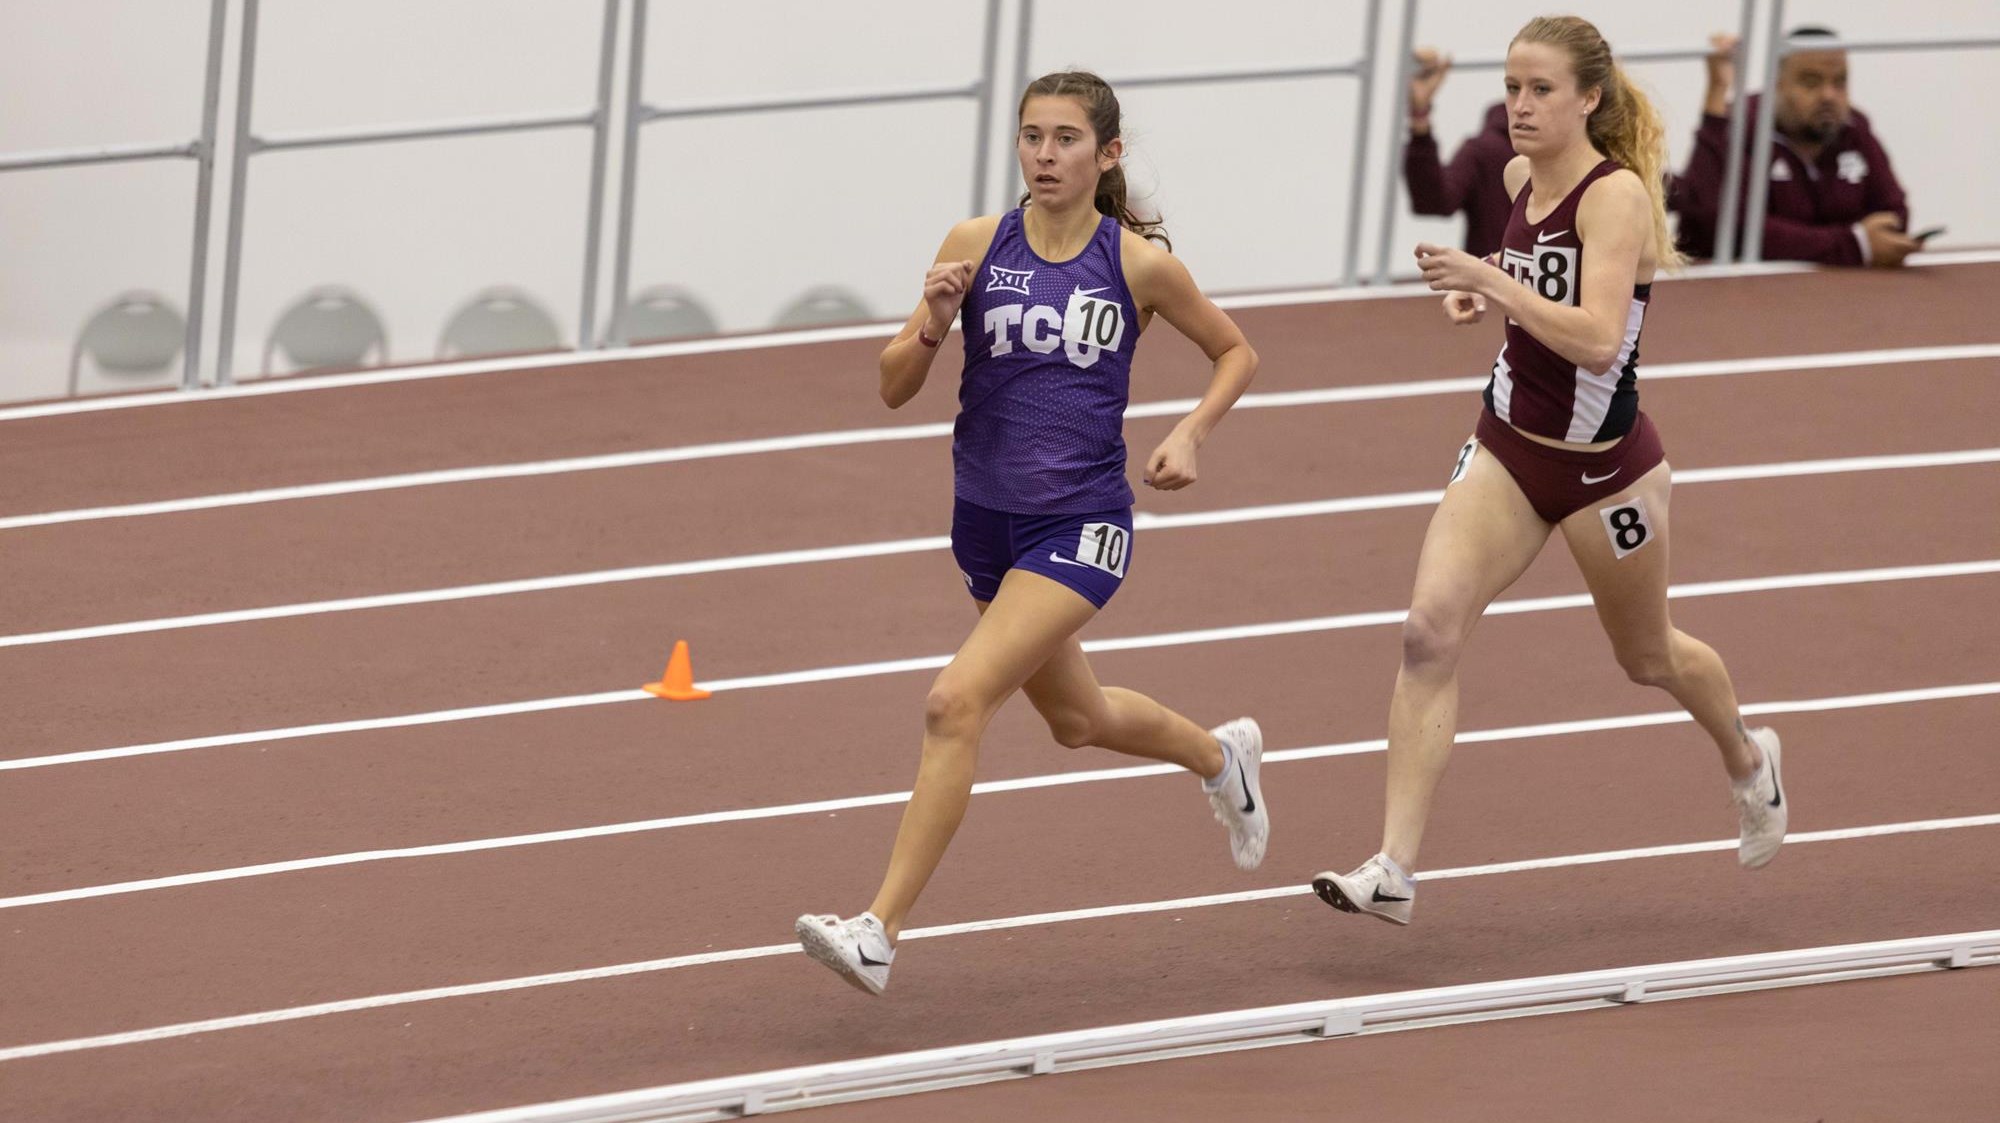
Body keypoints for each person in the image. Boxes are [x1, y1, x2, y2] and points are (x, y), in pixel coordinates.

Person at [796, 71, 1267, 994]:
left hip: (1083, 523)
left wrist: (1189, 431)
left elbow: (1237, 349)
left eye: (1064, 139)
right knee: (1076, 720)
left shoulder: (1137, 264)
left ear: (1108, 155)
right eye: (1031, 137)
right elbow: (893, 384)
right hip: (984, 525)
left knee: (953, 702)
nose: (1045, 155)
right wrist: (932, 323)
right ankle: (1222, 756)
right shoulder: (977, 244)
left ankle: (878, 932)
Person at [1312, 16, 1788, 927]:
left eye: (1539, 90)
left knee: (1647, 656)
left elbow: (1599, 337)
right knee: (1426, 632)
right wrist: (1483, 276)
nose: (1518, 106)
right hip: (1508, 448)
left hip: (1607, 471)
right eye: (1511, 86)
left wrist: (1494, 284)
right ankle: (1394, 866)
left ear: (1589, 99)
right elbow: (1532, 273)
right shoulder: (1517, 176)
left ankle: (1747, 755)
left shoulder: (1618, 200)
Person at [1672, 27, 1917, 266]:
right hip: (1743, 297)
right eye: (1811, 82)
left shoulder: (1853, 129)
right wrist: (1853, 244)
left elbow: (1893, 217)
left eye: (1840, 82)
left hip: (1838, 293)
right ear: (1776, 84)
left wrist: (1854, 243)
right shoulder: (1737, 126)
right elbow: (1720, 225)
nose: (1828, 96)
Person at [1403, 47, 1516, 258]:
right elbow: (1433, 200)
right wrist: (1419, 119)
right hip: (1490, 287)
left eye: (1543, 88)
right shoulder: (1487, 150)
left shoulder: (1586, 150)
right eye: (1515, 86)